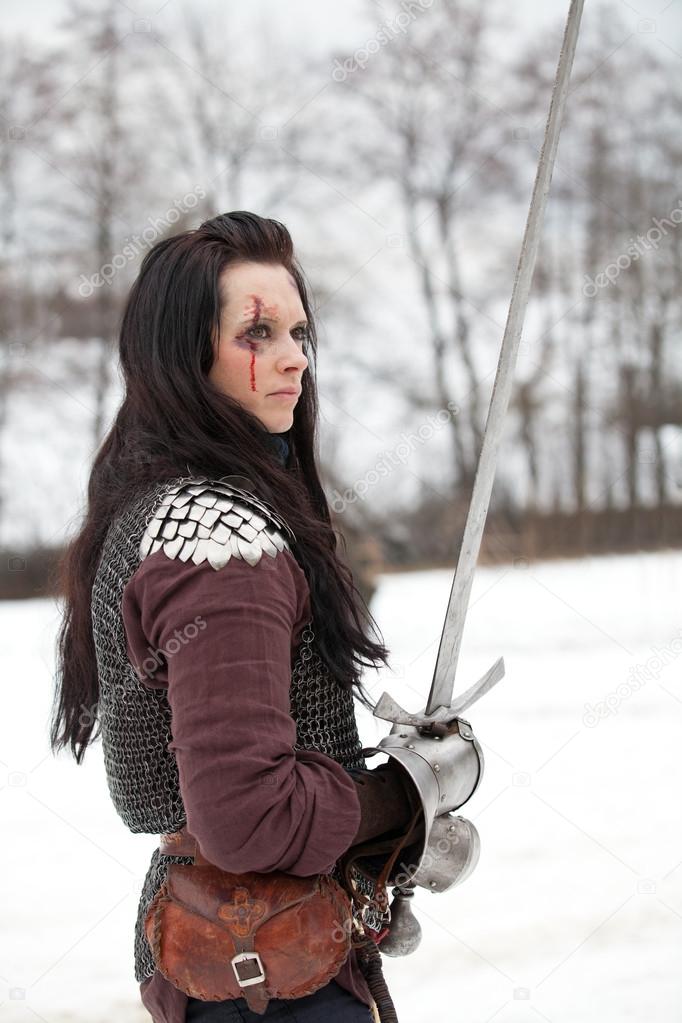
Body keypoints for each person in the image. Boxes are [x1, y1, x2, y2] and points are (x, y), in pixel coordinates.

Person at [50, 211, 423, 1023]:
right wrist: (403, 794)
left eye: (297, 330)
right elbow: (248, 817)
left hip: (241, 950)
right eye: (256, 333)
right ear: (188, 359)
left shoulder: (153, 501)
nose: (293, 355)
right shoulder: (220, 538)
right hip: (267, 976)